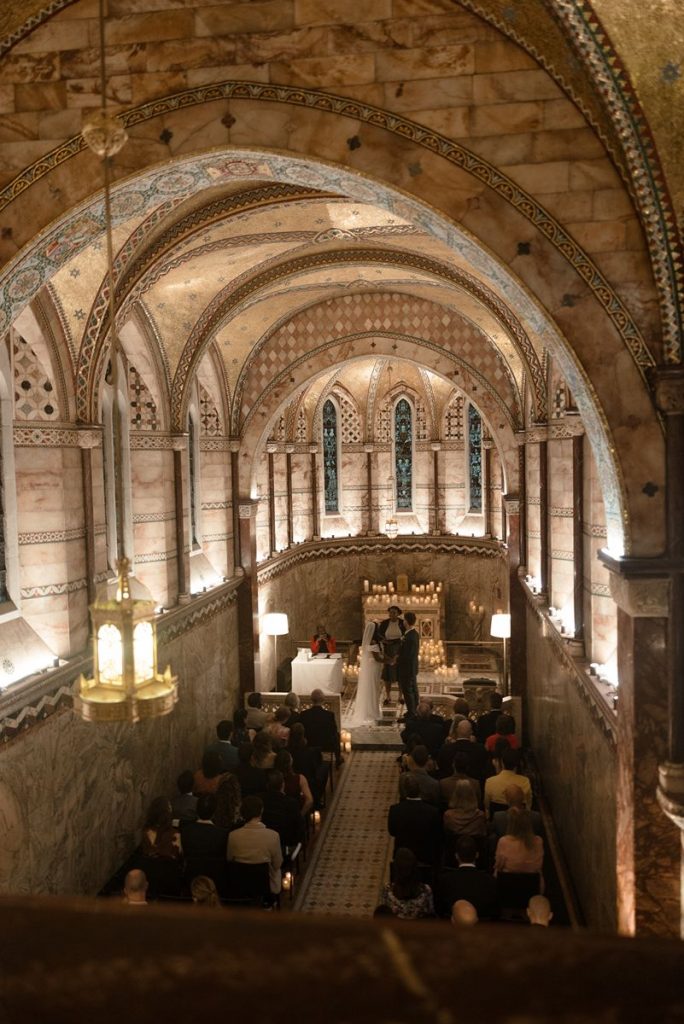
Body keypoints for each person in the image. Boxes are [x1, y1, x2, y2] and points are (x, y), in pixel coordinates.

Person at [227, 795, 283, 896]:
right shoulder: (273, 836)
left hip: (240, 885)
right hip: (264, 887)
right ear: (261, 811)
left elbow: (230, 859)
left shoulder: (233, 835)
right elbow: (277, 864)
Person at [434, 835, 498, 920]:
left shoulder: (444, 881)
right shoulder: (490, 881)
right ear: (477, 855)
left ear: (456, 856)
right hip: (484, 929)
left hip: (451, 928)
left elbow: (439, 910)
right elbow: (495, 911)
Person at [387, 774, 441, 865]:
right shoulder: (432, 812)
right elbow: (436, 834)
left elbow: (392, 831)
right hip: (425, 855)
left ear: (405, 791)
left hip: (402, 854)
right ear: (420, 790)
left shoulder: (395, 809)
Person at [379, 847, 434, 919]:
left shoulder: (387, 890)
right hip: (418, 929)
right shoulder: (426, 891)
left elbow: (384, 914)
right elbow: (430, 915)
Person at [346, 621, 383, 727]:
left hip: (372, 667)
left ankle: (372, 710)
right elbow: (377, 658)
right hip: (373, 667)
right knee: (371, 688)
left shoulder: (371, 641)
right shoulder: (372, 642)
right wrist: (390, 661)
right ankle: (370, 711)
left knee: (372, 688)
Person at [494, 808, 544, 879]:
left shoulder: (504, 841)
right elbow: (539, 866)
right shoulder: (538, 841)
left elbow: (498, 865)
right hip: (532, 885)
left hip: (507, 884)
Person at [300, 689, 341, 766]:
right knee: (337, 735)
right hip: (326, 745)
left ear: (311, 700)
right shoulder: (329, 715)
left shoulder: (304, 714)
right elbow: (333, 731)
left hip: (308, 744)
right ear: (323, 700)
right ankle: (338, 758)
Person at [484, 747, 532, 813]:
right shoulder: (525, 781)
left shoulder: (490, 782)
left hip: (497, 821)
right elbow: (528, 806)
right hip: (520, 819)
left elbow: (487, 806)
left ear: (502, 763)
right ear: (517, 765)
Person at [377, 605, 406, 705]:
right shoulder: (384, 623)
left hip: (400, 650)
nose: (392, 614)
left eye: (394, 612)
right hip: (387, 650)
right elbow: (379, 635)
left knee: (400, 674)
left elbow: (405, 636)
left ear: (398, 613)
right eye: (390, 612)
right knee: (387, 675)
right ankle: (388, 696)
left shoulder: (402, 623)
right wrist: (383, 640)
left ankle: (400, 696)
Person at [274, 748, 314, 816]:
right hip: (294, 811)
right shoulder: (299, 778)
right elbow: (309, 800)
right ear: (290, 762)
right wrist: (300, 815)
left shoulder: (273, 778)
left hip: (277, 812)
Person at [141, 796, 183, 861]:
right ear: (167, 812)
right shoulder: (175, 833)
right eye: (170, 806)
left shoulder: (146, 831)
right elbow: (179, 855)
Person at [396, 611, 420, 717]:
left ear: (407, 621)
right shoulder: (411, 634)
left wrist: (397, 659)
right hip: (410, 668)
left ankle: (412, 712)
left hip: (407, 668)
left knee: (408, 691)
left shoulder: (411, 636)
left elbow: (408, 655)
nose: (403, 622)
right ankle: (414, 709)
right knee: (412, 689)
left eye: (404, 619)